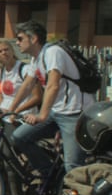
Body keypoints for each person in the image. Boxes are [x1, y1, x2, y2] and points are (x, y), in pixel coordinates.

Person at [9, 20, 93, 175]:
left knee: (73, 166)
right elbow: (27, 84)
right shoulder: (37, 57)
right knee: (19, 137)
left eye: (20, 38)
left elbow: (53, 85)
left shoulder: (53, 52)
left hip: (74, 113)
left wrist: (42, 115)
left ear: (33, 39)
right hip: (56, 111)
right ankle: (51, 175)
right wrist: (10, 110)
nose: (17, 43)